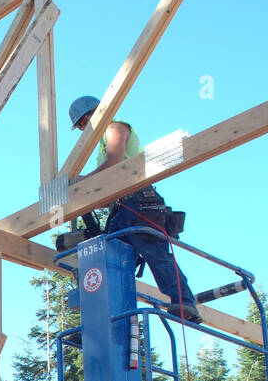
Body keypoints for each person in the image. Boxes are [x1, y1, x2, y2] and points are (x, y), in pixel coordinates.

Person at [68, 95, 200, 323]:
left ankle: (184, 300)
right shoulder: (101, 142)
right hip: (121, 210)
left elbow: (115, 163)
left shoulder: (114, 127)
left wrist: (83, 183)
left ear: (95, 114)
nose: (83, 130)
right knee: (107, 260)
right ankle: (99, 320)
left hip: (138, 203)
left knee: (154, 251)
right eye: (79, 127)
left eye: (82, 123)